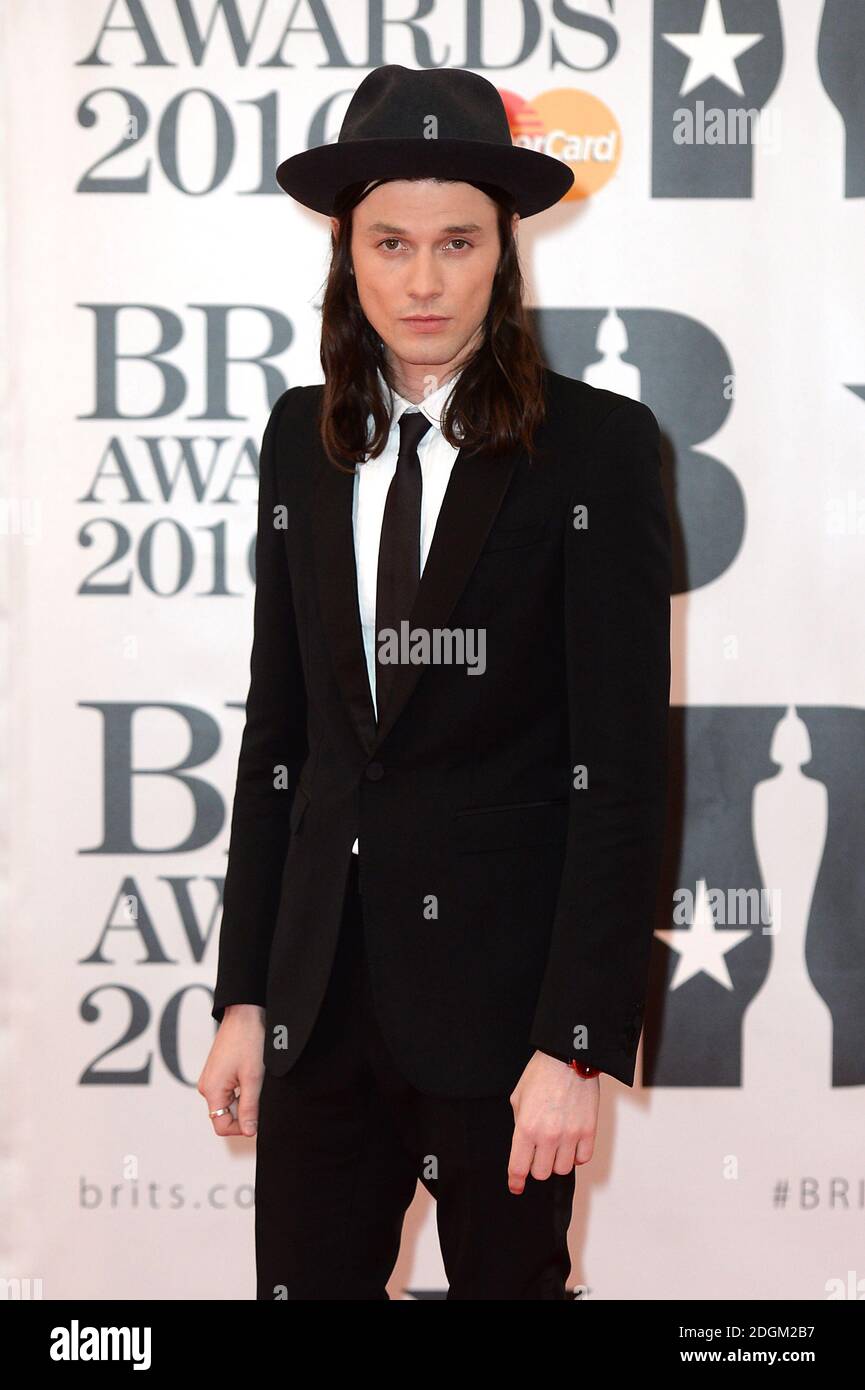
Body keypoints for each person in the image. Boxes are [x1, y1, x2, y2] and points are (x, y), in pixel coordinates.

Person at [198, 64, 672, 1300]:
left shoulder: (598, 450)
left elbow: (621, 775)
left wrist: (572, 1043)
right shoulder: (300, 441)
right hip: (321, 1006)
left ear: (502, 253)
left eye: (456, 243)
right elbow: (279, 739)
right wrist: (245, 993)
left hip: (506, 1026)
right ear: (346, 255)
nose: (422, 280)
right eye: (390, 243)